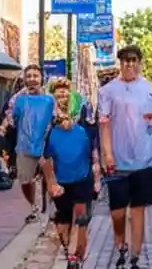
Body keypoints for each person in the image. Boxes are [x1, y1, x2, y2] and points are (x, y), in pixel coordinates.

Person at [99, 45, 152, 268]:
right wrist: (107, 154)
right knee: (117, 212)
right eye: (125, 60)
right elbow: (104, 124)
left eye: (134, 60)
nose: (130, 64)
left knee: (138, 209)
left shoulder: (149, 89)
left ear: (140, 62)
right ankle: (119, 242)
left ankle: (134, 256)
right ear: (120, 63)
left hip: (143, 160)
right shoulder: (108, 91)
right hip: (117, 160)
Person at [42, 78, 100, 269]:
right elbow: (45, 158)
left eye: (65, 90)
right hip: (61, 178)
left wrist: (97, 177)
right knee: (63, 219)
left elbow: (93, 149)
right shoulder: (48, 121)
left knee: (81, 217)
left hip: (82, 176)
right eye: (58, 91)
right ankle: (69, 251)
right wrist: (51, 183)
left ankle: (75, 257)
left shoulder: (83, 117)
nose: (62, 94)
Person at [11, 64, 56, 222]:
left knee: (50, 179)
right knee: (25, 180)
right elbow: (11, 119)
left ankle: (51, 209)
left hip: (47, 145)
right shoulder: (18, 99)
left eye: (35, 76)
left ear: (41, 78)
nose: (32, 79)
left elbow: (57, 117)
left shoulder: (50, 99)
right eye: (28, 76)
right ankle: (33, 207)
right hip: (24, 145)